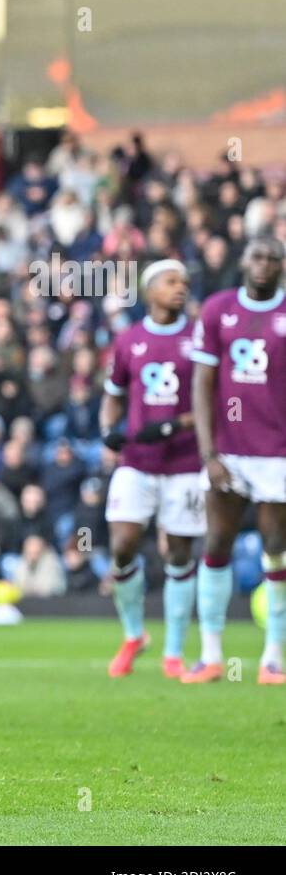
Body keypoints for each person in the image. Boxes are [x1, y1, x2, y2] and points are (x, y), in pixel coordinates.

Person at [188, 236, 286, 685]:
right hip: (228, 451)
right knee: (216, 544)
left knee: (275, 548)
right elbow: (202, 385)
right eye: (258, 256)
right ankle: (210, 656)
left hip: (278, 453)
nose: (264, 264)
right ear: (243, 261)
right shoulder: (218, 309)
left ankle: (272, 658)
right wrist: (209, 453)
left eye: (273, 258)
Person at [99, 260, 204, 678]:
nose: (181, 288)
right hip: (138, 462)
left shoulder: (198, 335)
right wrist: (108, 429)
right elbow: (113, 394)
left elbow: (216, 399)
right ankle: (133, 634)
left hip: (186, 462)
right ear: (150, 290)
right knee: (122, 544)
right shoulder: (129, 340)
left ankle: (174, 652)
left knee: (179, 552)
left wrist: (178, 423)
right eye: (171, 282)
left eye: (185, 283)